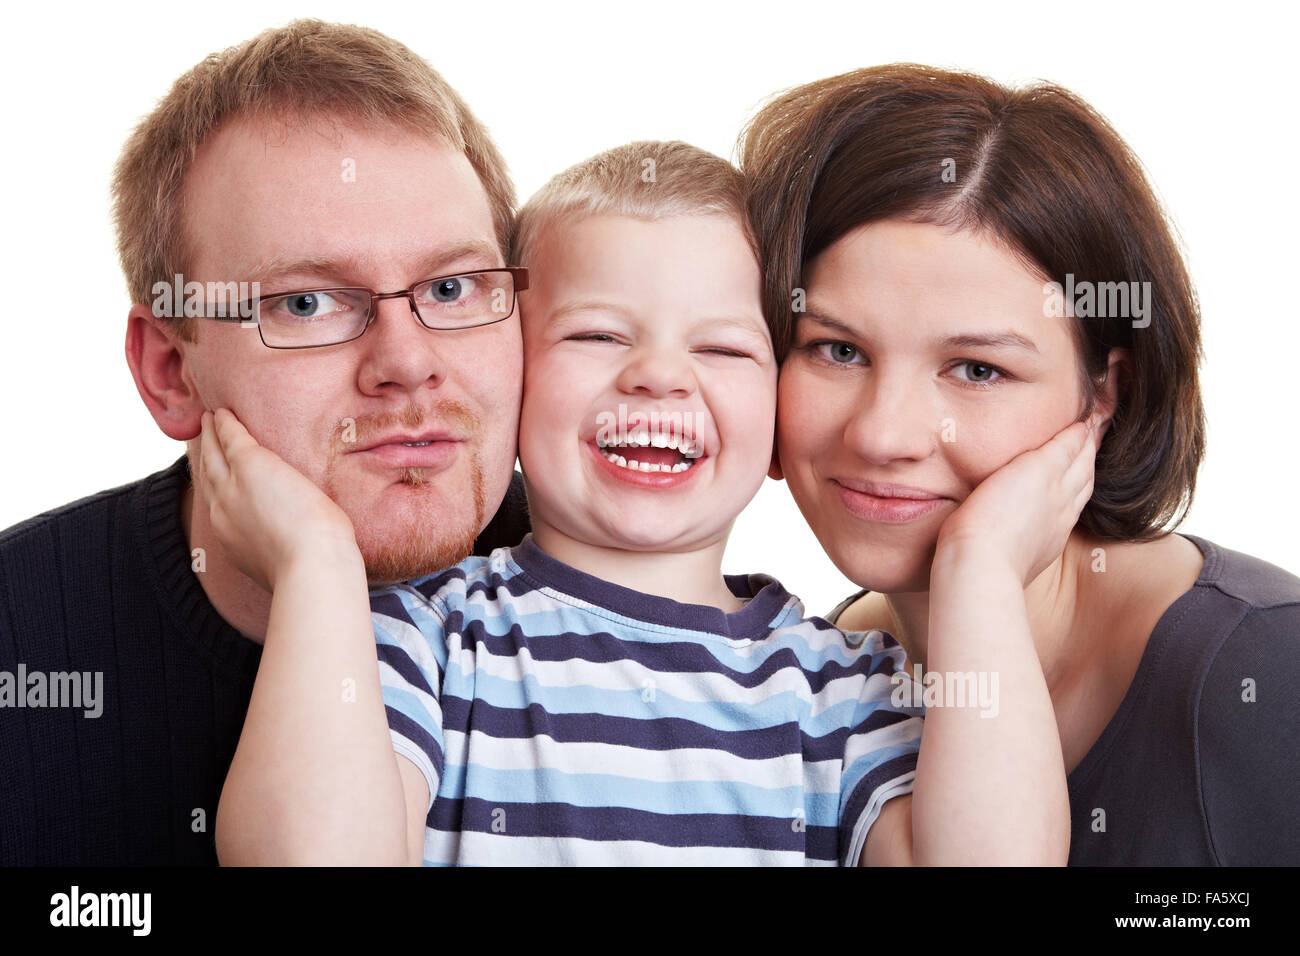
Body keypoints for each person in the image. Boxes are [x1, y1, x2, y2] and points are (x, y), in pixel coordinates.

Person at [203, 140, 1099, 865]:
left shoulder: (839, 691)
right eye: (597, 334)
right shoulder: (424, 643)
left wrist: (979, 567)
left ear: (781, 410)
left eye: (722, 350)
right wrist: (316, 561)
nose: (659, 376)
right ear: (511, 368)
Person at [740, 63, 1300, 865]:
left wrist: (979, 566)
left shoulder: (1272, 674)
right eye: (837, 349)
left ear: (1105, 391)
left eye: (976, 369)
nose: (882, 435)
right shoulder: (817, 677)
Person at [0, 20, 529, 866]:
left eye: (452, 287)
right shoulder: (20, 639)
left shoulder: (643, 609)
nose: (407, 362)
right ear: (172, 370)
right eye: (307, 304)